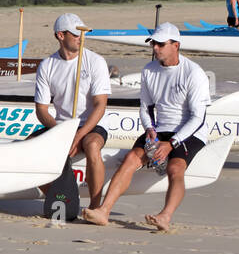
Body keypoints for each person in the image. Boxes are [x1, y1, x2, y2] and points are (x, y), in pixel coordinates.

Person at [83, 24, 209, 232]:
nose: (155, 48)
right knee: (132, 158)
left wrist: (171, 144)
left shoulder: (193, 73)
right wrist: (150, 128)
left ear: (175, 45)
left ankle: (165, 217)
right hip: (160, 128)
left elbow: (198, 118)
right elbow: (146, 107)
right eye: (153, 43)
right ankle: (104, 211)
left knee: (175, 168)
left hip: (190, 131)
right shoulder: (149, 70)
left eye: (161, 44)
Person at [33, 13, 111, 209]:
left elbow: (101, 104)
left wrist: (77, 137)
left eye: (83, 34)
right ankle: (62, 199)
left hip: (92, 126)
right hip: (62, 125)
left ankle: (94, 207)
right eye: (76, 34)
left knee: (92, 146)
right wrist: (61, 133)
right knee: (26, 150)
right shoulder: (47, 65)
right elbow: (41, 110)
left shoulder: (95, 61)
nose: (80, 38)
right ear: (60, 35)